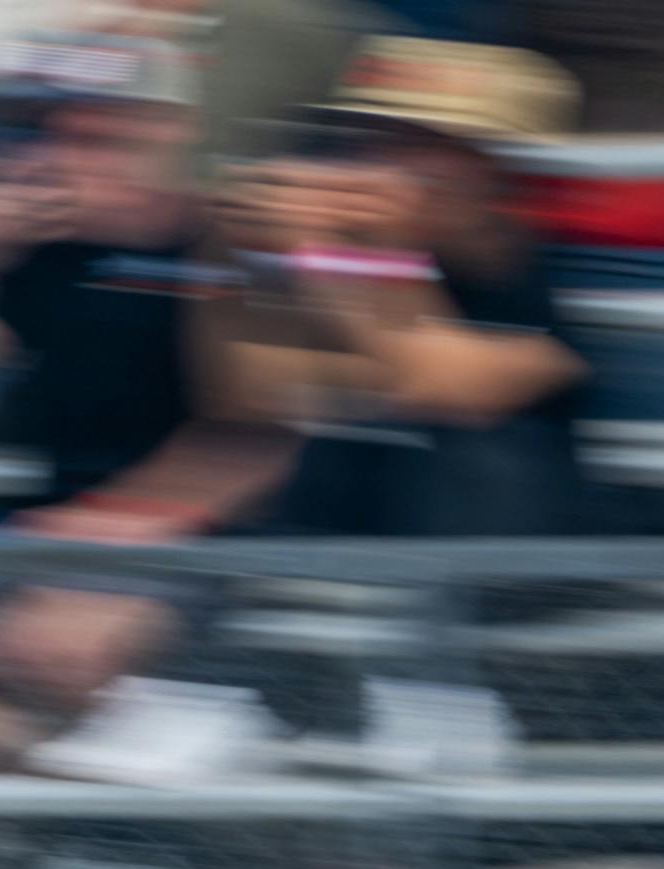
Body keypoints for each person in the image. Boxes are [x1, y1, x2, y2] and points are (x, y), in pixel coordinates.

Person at [0, 59, 300, 777]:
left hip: (202, 540)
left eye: (96, 137)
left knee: (57, 648)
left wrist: (119, 521)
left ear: (166, 136)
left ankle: (151, 779)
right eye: (45, 135)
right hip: (48, 541)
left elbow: (260, 441)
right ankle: (114, 773)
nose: (55, 158)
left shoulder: (222, 245)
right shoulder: (33, 249)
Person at [202, 40, 616, 548]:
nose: (386, 166)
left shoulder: (548, 277)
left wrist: (330, 251)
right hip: (333, 553)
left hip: (491, 579)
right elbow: (246, 389)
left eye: (423, 145)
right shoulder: (362, 260)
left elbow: (442, 386)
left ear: (498, 173)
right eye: (376, 140)